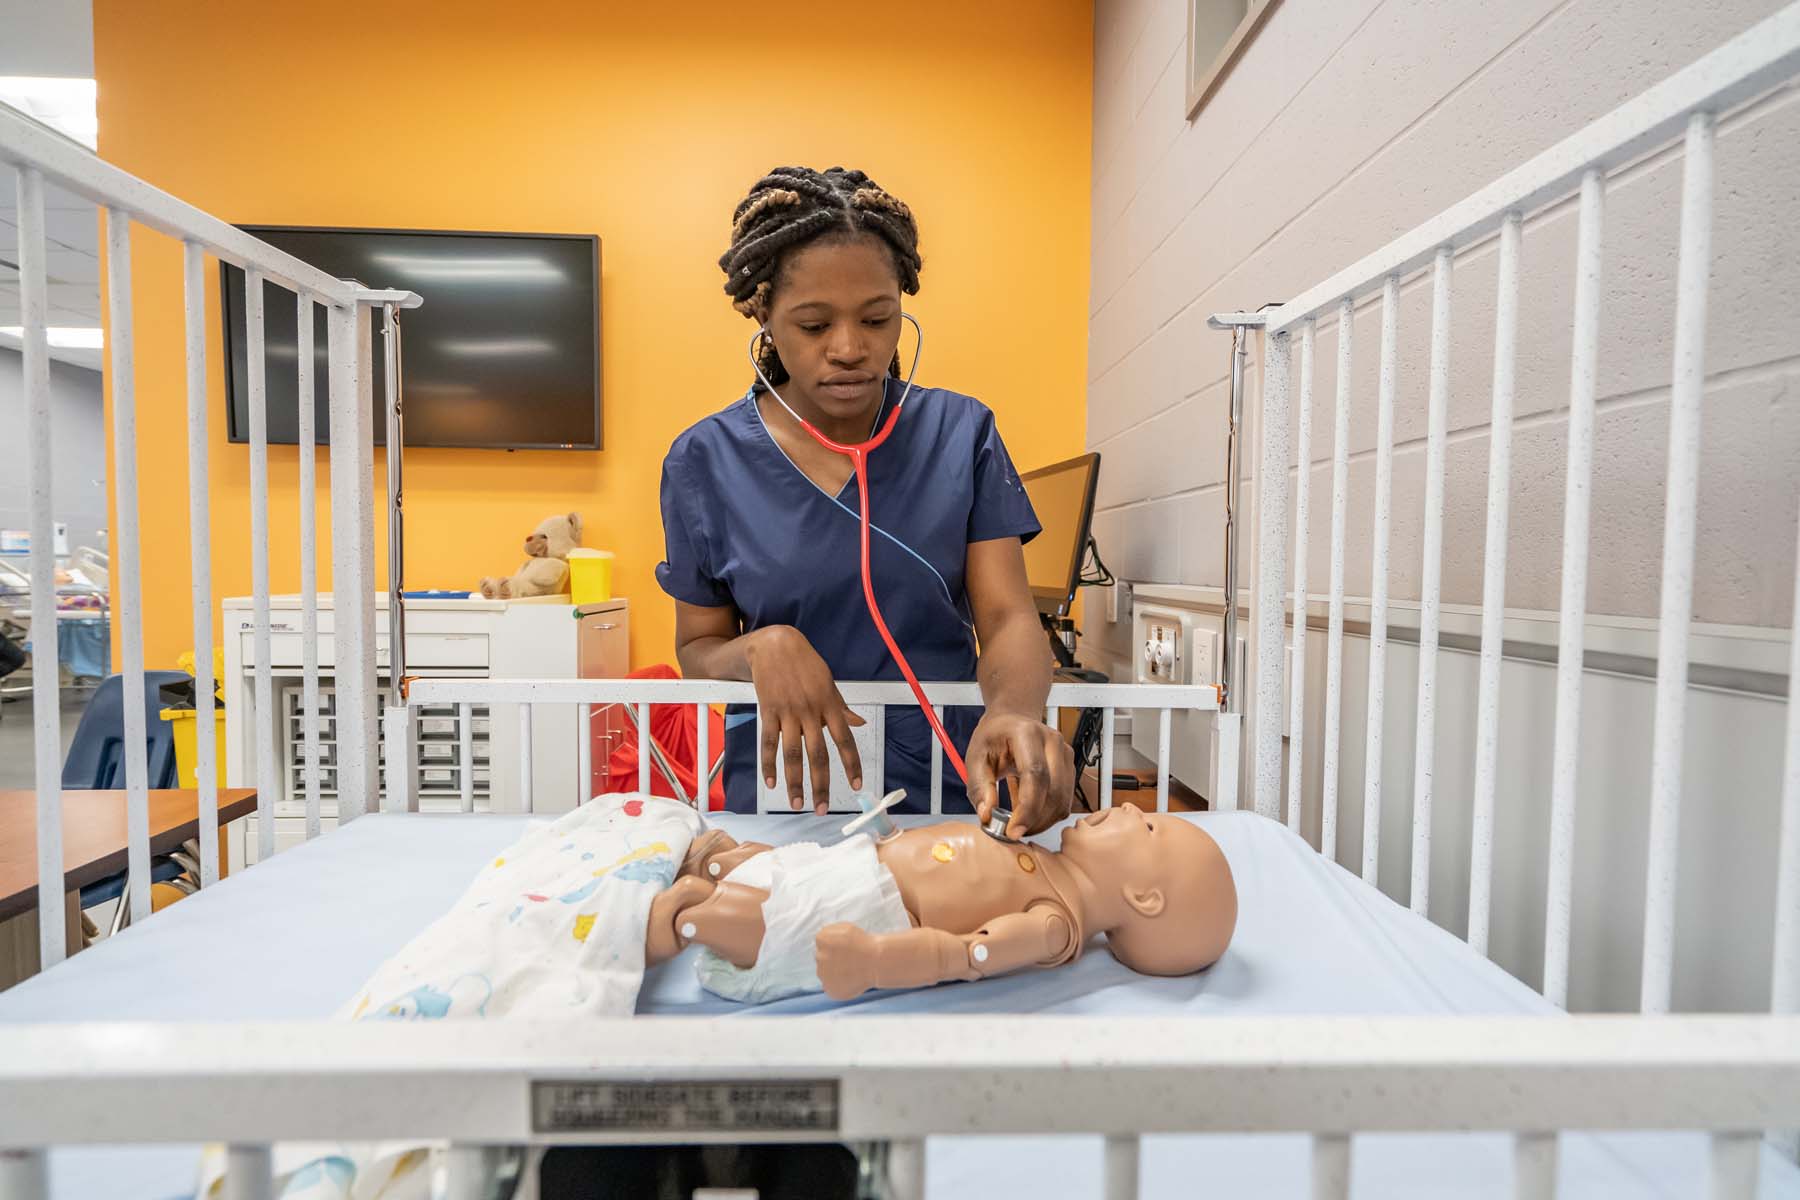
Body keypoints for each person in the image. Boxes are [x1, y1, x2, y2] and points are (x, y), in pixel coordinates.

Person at [656, 165, 1073, 836]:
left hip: (949, 784)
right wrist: (762, 647)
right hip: (785, 797)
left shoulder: (960, 435)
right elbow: (698, 647)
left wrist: (1016, 712)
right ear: (762, 313)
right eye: (814, 325)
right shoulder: (705, 460)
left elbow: (1006, 617)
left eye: (877, 319)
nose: (850, 349)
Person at [645, 804, 1238, 1004]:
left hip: (874, 908)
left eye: (1151, 829)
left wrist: (876, 960)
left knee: (771, 923)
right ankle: (717, 867)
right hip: (861, 865)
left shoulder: (1055, 928)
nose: (1134, 809)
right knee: (769, 864)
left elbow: (967, 955)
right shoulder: (1046, 857)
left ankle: (687, 917)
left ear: (1144, 897)